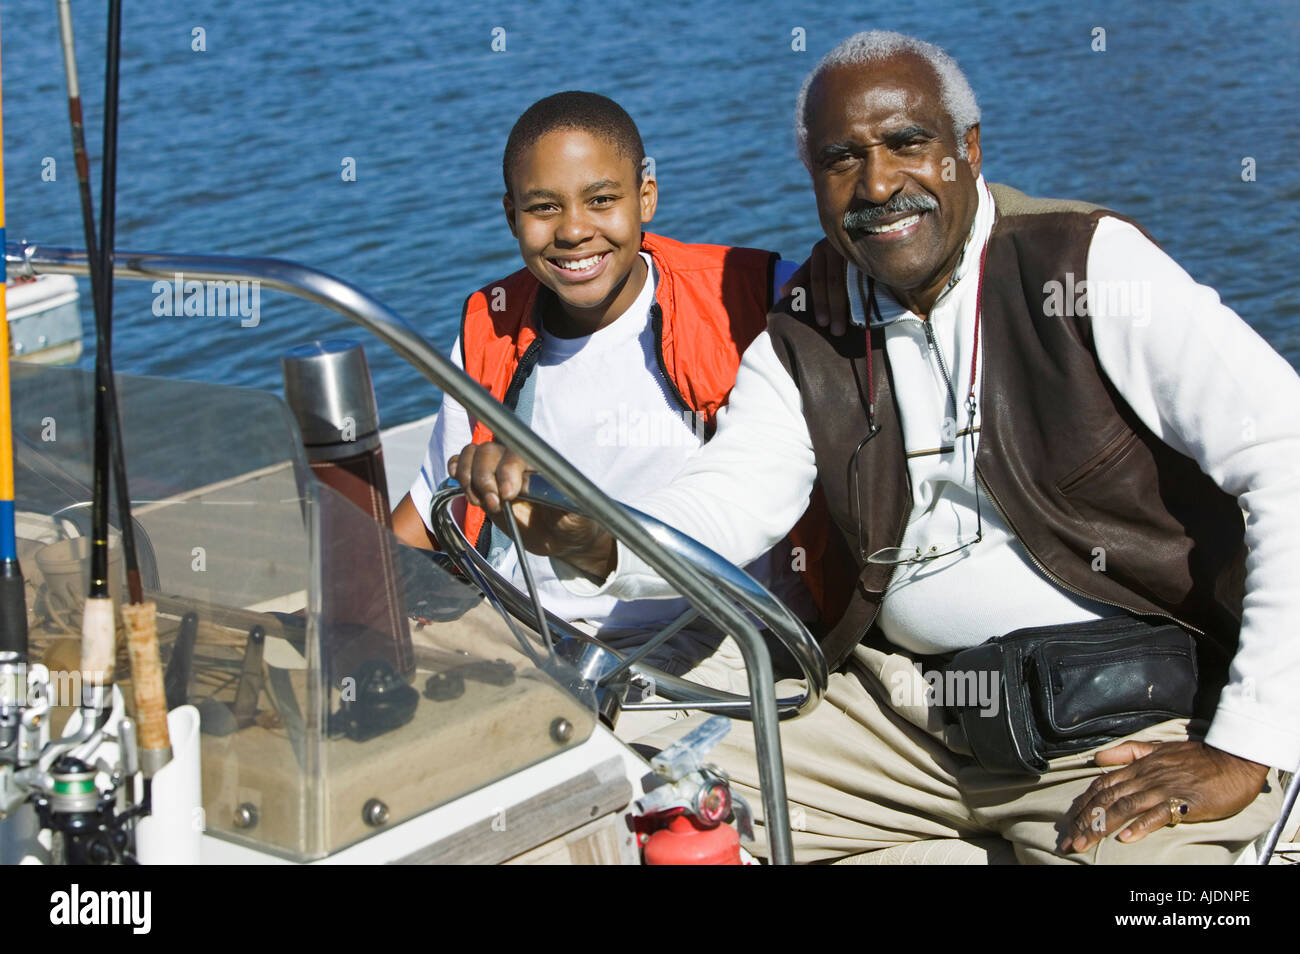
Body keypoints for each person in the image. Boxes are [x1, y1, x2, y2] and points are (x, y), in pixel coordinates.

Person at [454, 32, 1299, 864]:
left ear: (967, 149)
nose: (880, 183)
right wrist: (587, 535)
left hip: (1120, 725)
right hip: (901, 713)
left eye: (907, 143)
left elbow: (1285, 455)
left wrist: (1248, 744)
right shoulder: (802, 328)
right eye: (840, 159)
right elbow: (725, 504)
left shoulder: (1085, 264)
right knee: (636, 780)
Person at [392, 91, 829, 723]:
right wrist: (353, 609)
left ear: (646, 195)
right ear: (510, 215)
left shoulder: (756, 295)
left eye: (602, 200)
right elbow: (431, 506)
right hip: (521, 625)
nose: (573, 230)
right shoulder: (488, 326)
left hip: (689, 638)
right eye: (543, 208)